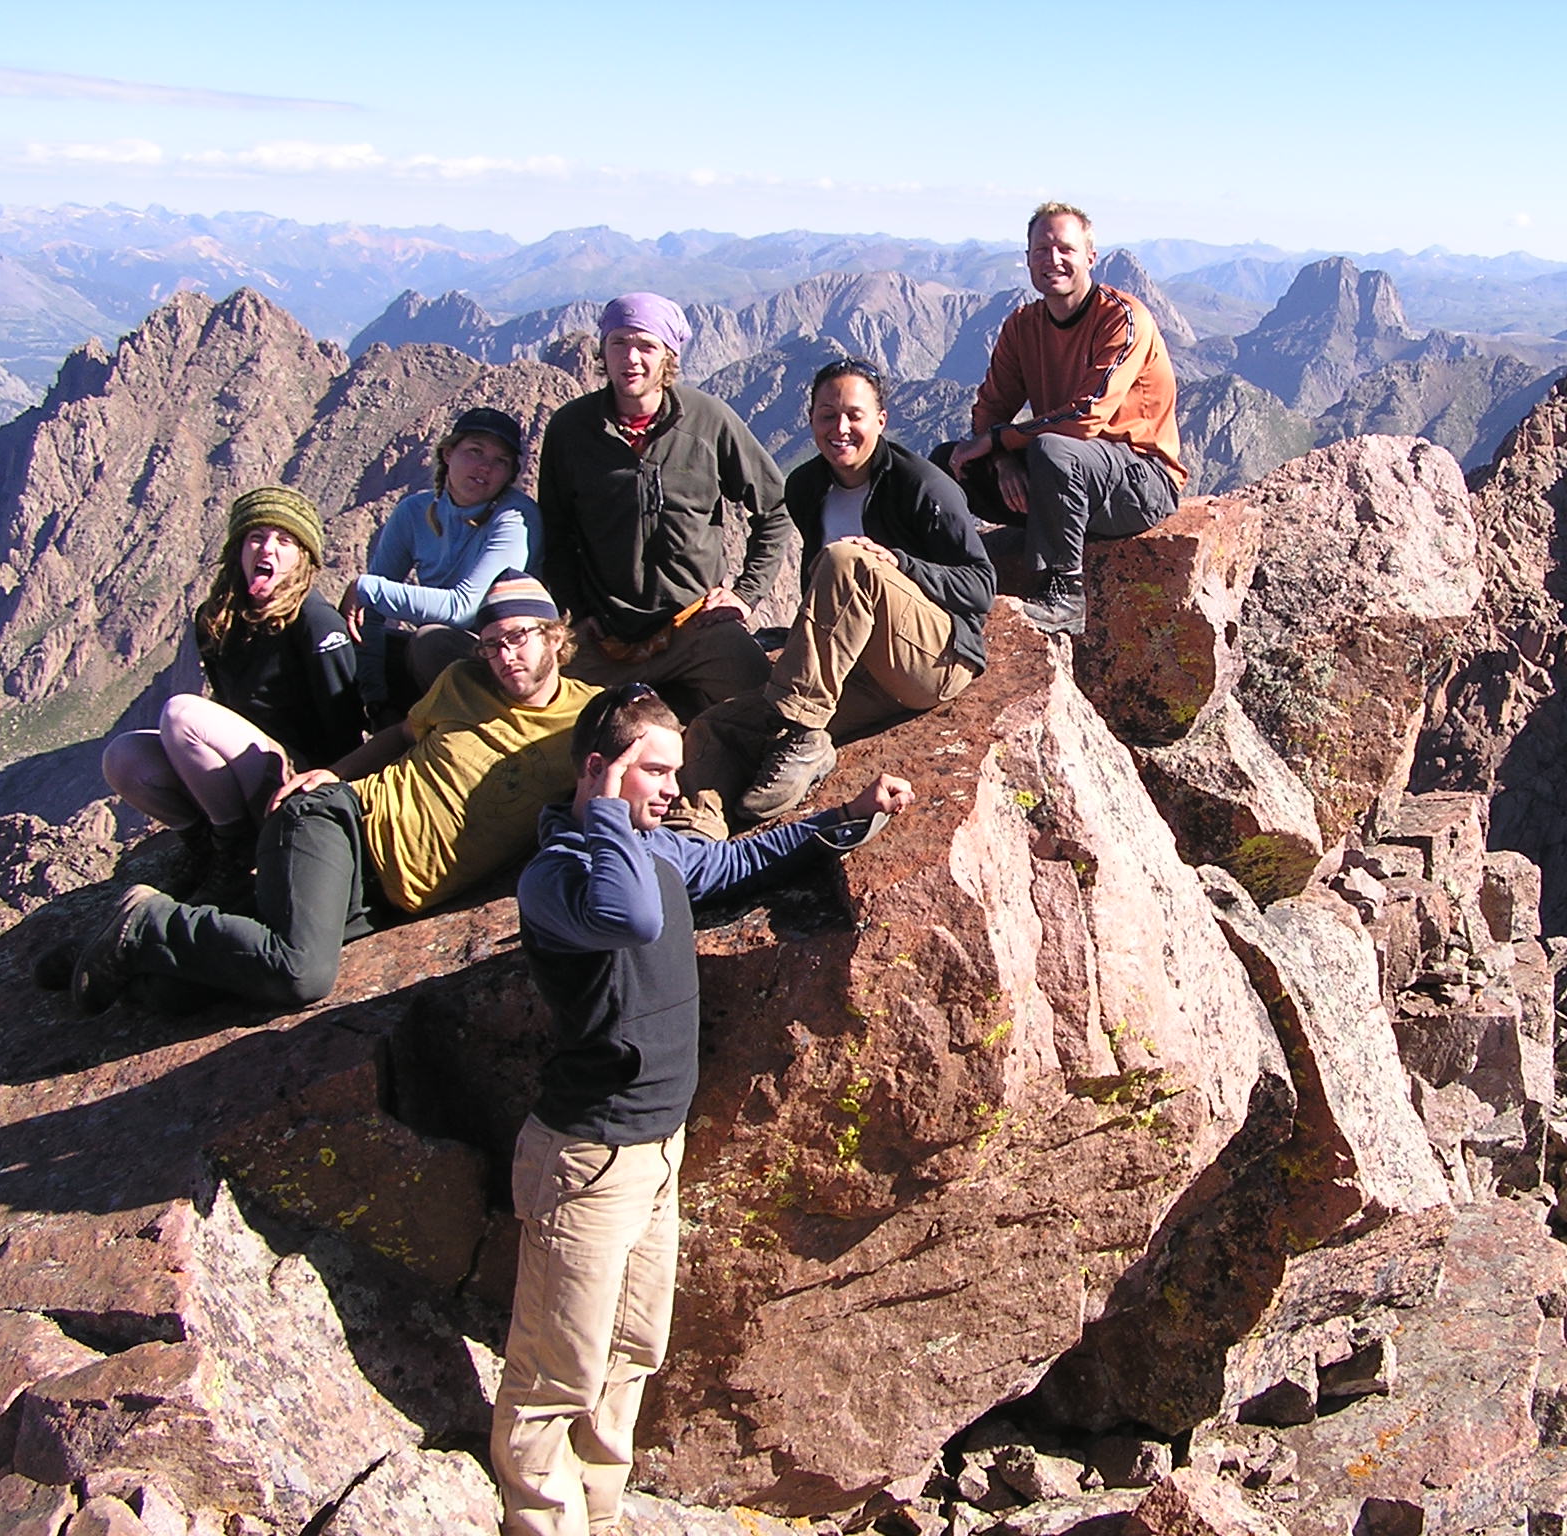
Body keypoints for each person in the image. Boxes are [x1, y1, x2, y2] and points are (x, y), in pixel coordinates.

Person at [492, 682, 912, 1536]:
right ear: (600, 772)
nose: (674, 790)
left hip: (654, 1150)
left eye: (676, 771)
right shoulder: (559, 874)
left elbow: (733, 864)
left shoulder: (651, 850)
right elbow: (632, 917)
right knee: (556, 1369)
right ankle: (540, 1520)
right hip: (586, 1156)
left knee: (631, 1351)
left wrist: (851, 816)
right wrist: (608, 814)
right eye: (654, 772)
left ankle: (599, 1514)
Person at [70, 572, 598, 1014]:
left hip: (383, 896)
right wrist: (333, 776)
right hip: (344, 826)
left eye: (519, 637)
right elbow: (398, 736)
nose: (504, 656)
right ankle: (143, 915)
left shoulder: (590, 716)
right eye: (491, 644)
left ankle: (86, 947)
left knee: (168, 995)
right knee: (301, 973)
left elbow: (640, 760)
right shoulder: (463, 680)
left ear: (554, 635)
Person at [684, 358, 994, 823]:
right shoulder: (807, 486)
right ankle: (694, 841)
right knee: (716, 729)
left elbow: (981, 585)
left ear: (881, 421)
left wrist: (901, 564)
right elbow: (822, 587)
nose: (840, 427)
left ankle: (806, 735)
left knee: (847, 559)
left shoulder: (921, 486)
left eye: (855, 414)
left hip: (933, 660)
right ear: (811, 420)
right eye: (827, 415)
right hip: (855, 673)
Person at [100, 486, 366, 904]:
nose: (269, 549)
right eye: (256, 537)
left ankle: (236, 852)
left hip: (297, 780)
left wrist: (326, 797)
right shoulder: (218, 620)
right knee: (124, 757)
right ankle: (204, 846)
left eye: (285, 541)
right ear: (238, 550)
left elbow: (344, 724)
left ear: (303, 558)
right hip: (245, 770)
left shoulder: (316, 622)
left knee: (181, 714)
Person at [537, 291, 793, 714]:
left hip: (696, 624)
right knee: (554, 721)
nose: (630, 358)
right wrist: (577, 612)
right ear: (603, 349)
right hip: (606, 633)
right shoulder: (570, 429)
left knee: (762, 706)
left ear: (668, 356)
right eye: (618, 343)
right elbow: (556, 533)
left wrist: (746, 595)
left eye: (646, 346)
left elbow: (774, 508)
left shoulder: (708, 419)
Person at [938, 201, 1186, 635]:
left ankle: (1064, 595)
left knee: (1054, 450)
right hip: (1061, 481)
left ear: (1090, 256)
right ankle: (948, 579)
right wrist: (1002, 461)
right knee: (949, 463)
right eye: (1041, 249)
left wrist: (1001, 441)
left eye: (1065, 249)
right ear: (1028, 258)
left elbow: (1086, 419)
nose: (1052, 259)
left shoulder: (1123, 320)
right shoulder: (1023, 326)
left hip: (1139, 484)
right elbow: (990, 408)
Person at [341, 405, 542, 721]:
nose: (485, 467)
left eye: (500, 461)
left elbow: (463, 609)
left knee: (429, 641)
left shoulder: (515, 518)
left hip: (506, 656)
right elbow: (371, 615)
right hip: (448, 657)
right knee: (343, 641)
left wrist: (368, 588)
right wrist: (375, 697)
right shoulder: (413, 513)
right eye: (475, 451)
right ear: (448, 453)